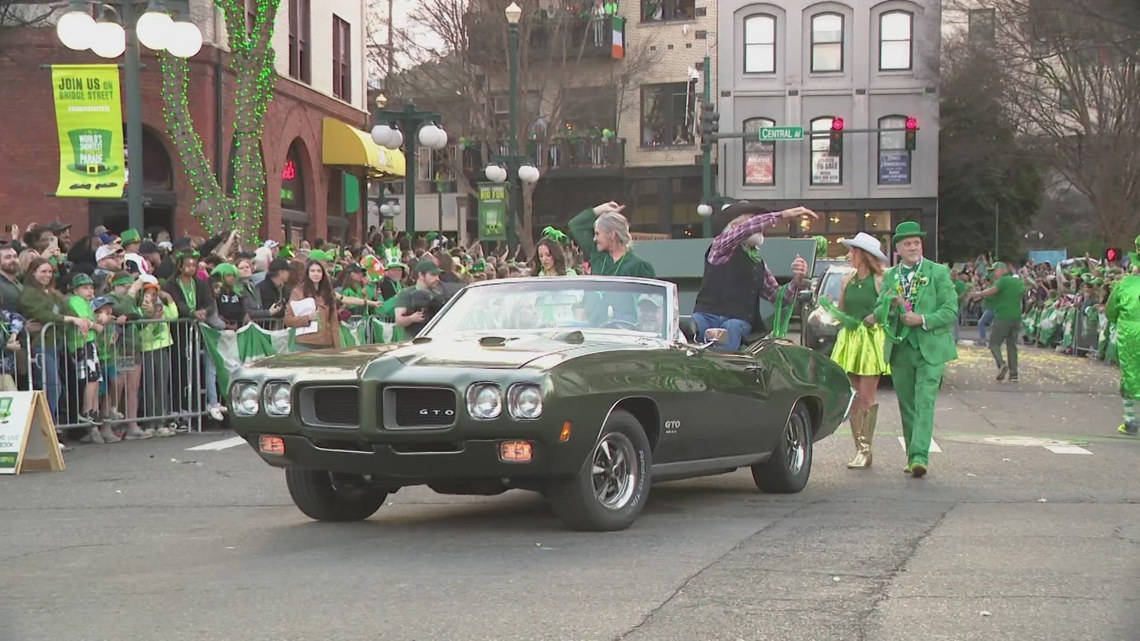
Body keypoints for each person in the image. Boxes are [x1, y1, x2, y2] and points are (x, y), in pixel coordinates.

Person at [874, 222, 958, 478]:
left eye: (917, 243)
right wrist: (889, 304)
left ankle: (921, 456)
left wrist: (922, 319)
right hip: (901, 348)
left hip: (931, 347)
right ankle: (913, 456)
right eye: (908, 244)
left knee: (925, 401)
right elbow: (878, 313)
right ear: (898, 248)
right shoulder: (890, 276)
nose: (913, 247)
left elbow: (951, 309)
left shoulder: (938, 272)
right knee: (907, 404)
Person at [691, 202, 816, 352]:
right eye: (754, 219)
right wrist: (784, 215)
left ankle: (725, 368)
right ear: (735, 225)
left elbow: (779, 298)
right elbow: (746, 229)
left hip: (738, 321)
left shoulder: (758, 263)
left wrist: (797, 280)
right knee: (691, 325)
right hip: (706, 316)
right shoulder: (720, 247)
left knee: (731, 327)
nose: (760, 226)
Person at [825, 233, 890, 468]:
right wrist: (830, 310)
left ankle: (866, 448)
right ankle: (859, 450)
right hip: (850, 339)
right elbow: (841, 310)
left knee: (866, 396)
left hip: (871, 339)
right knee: (852, 397)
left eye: (852, 251)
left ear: (863, 254)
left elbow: (890, 307)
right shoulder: (847, 280)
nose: (848, 255)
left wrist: (877, 316)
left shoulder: (881, 280)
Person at [568, 201, 655, 278]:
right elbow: (575, 225)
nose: (594, 239)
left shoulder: (638, 266)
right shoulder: (597, 256)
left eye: (597, 234)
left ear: (612, 234)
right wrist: (602, 208)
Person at [971, 261, 1025, 382]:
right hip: (1016, 317)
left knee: (994, 343)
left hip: (1003, 316)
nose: (993, 274)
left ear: (1002, 270)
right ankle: (1014, 374)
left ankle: (1001, 364)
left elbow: (993, 291)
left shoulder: (1003, 280)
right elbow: (1024, 290)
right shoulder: (1017, 281)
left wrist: (978, 294)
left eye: (995, 271)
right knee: (1012, 345)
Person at [1106, 257, 1140, 435]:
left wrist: (1114, 320)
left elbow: (1111, 310)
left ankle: (1130, 419)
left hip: (1131, 333)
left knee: (1130, 372)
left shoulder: (1125, 284)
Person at [283, 260, 341, 351]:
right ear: (307, 273)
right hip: (304, 343)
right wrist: (307, 318)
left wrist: (337, 347)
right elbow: (288, 320)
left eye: (319, 271)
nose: (316, 274)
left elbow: (334, 322)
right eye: (312, 271)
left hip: (326, 344)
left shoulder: (328, 293)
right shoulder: (298, 292)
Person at [392, 260, 444, 337]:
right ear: (421, 275)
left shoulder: (438, 294)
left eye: (438, 275)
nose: (437, 279)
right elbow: (399, 321)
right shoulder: (406, 293)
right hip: (412, 341)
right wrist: (412, 318)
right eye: (433, 275)